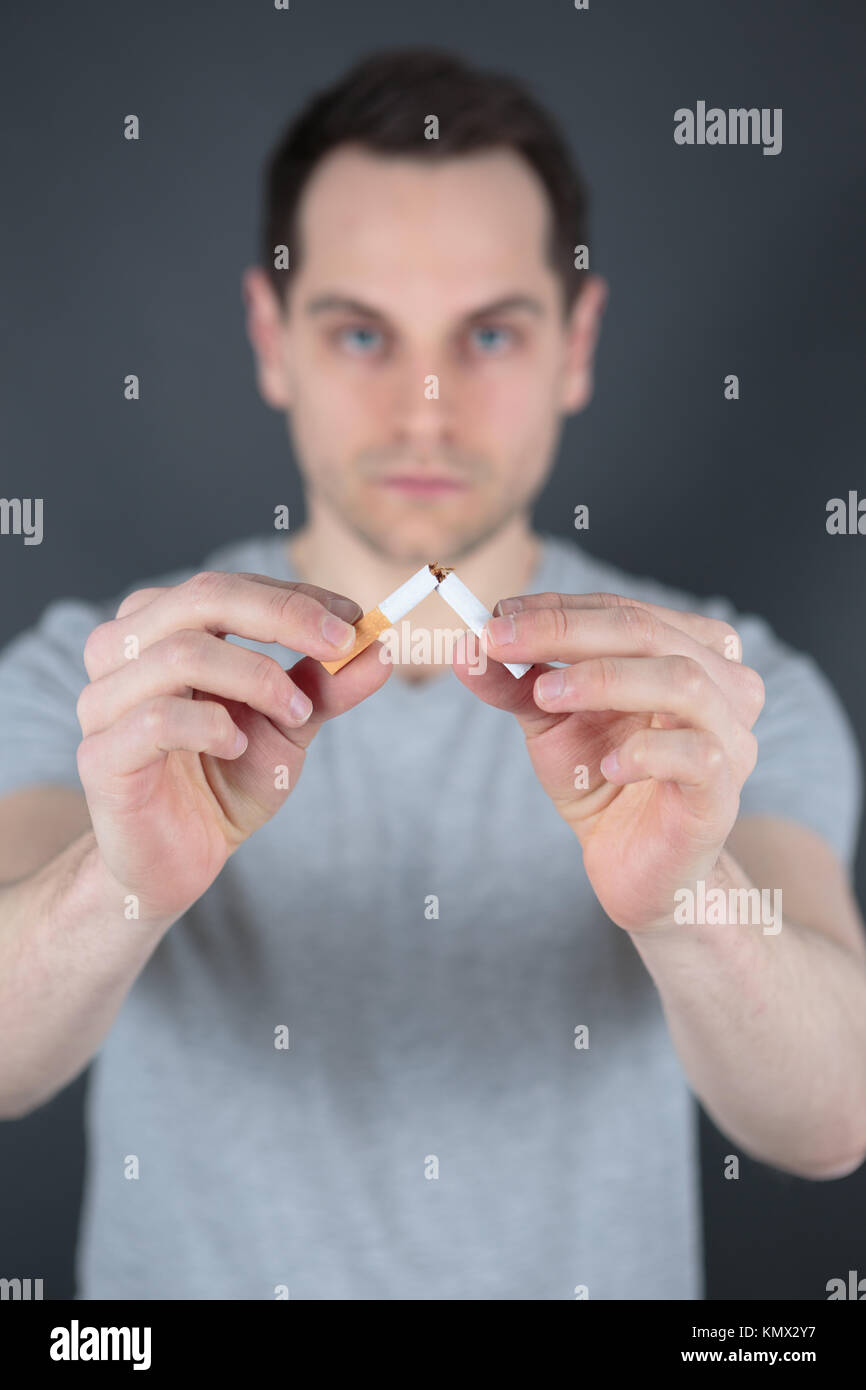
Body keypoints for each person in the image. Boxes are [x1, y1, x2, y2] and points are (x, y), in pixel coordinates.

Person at [1, 48, 864, 1302]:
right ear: (271, 338)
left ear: (576, 344)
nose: (423, 407)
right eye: (359, 331)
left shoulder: (719, 690)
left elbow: (833, 1114)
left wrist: (687, 900)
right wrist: (121, 884)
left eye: (490, 334)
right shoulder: (109, 678)